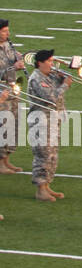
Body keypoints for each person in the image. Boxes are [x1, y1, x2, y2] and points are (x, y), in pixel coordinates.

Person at [27, 50, 69, 202]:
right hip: (41, 121)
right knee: (43, 155)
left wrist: (62, 79)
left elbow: (57, 91)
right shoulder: (36, 78)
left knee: (52, 155)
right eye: (50, 61)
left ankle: (47, 185)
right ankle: (40, 189)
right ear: (40, 63)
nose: (53, 64)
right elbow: (50, 98)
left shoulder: (49, 76)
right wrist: (64, 85)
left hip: (52, 119)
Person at [0, 19, 24, 174]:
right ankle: (0, 163)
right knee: (3, 126)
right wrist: (12, 67)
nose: (8, 33)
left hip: (12, 88)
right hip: (1, 92)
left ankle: (7, 160)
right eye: (4, 31)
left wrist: (19, 61)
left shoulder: (8, 44)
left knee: (14, 125)